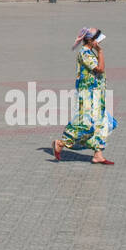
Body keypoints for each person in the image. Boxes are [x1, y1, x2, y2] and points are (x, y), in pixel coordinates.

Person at [53, 27, 114, 164]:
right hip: (88, 95)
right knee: (84, 124)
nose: (99, 43)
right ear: (91, 40)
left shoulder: (90, 52)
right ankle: (61, 143)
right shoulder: (85, 53)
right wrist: (101, 51)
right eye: (97, 41)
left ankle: (98, 154)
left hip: (97, 94)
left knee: (101, 123)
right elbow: (100, 69)